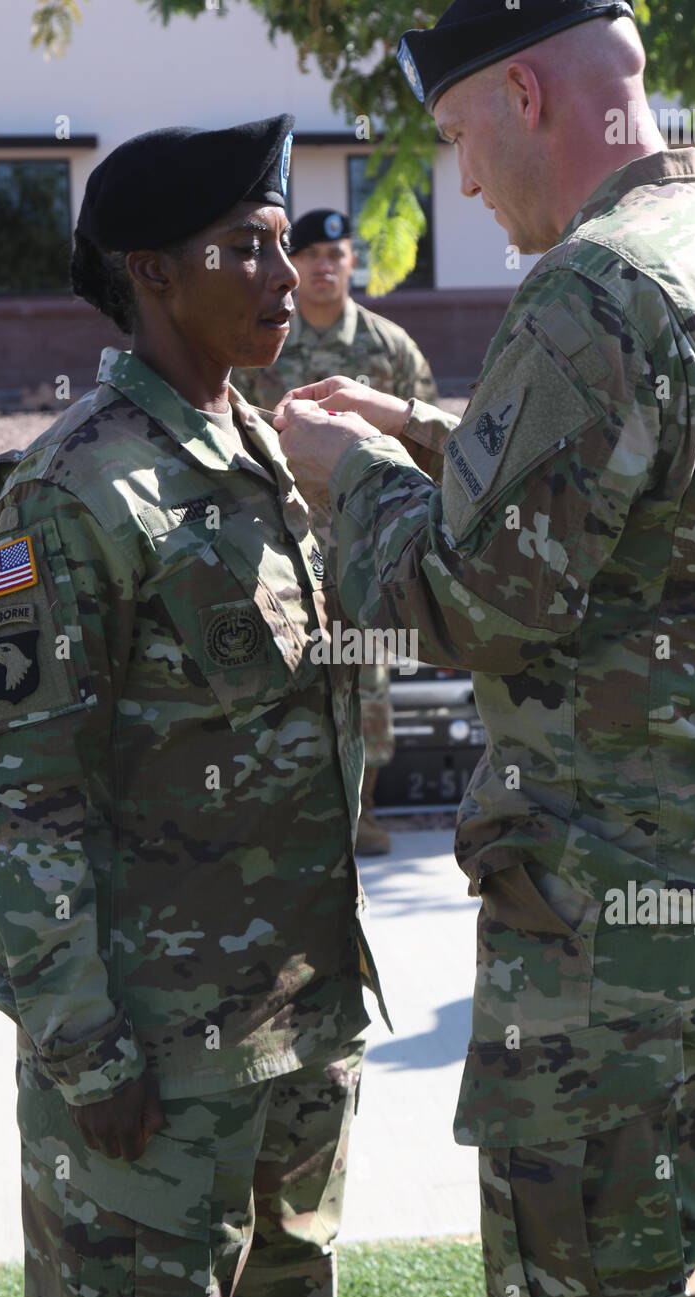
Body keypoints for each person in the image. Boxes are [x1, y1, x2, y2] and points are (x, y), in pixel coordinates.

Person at [272, 0, 695, 1297]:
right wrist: (437, 430)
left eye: (454, 133)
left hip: (611, 947)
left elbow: (465, 605)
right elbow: (656, 520)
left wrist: (358, 478)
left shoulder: (588, 287)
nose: (457, 175)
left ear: (523, 93)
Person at [0, 116, 389, 1297]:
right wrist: (86, 1050)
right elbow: (14, 792)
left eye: (284, 243)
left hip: (299, 1033)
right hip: (155, 1061)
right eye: (245, 247)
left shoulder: (266, 452)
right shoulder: (64, 490)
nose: (284, 276)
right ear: (150, 271)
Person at [235, 208, 441, 855]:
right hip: (281, 536)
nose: (324, 267)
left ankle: (362, 811)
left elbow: (426, 447)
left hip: (364, 538)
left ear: (353, 262)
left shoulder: (388, 347)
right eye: (313, 255)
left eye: (336, 255)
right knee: (282, 667)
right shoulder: (262, 338)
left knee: (365, 672)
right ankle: (291, 812)